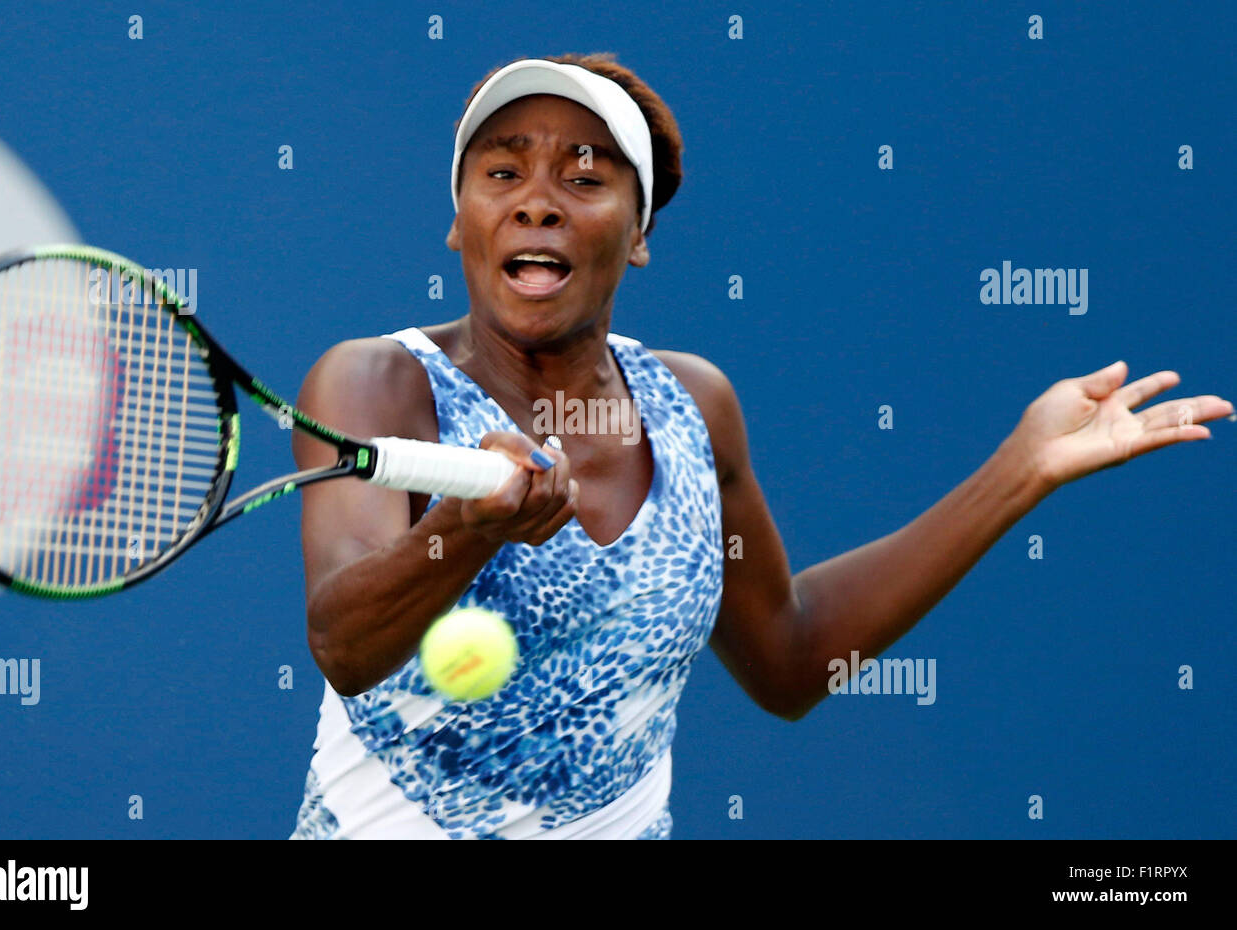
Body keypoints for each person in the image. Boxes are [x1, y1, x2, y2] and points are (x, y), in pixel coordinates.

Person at [288, 53, 1232, 839]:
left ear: (641, 231)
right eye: (502, 173)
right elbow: (344, 642)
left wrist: (1019, 470)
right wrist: (468, 529)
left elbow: (791, 658)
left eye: (585, 178)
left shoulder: (696, 404)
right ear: (459, 220)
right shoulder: (377, 383)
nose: (538, 203)